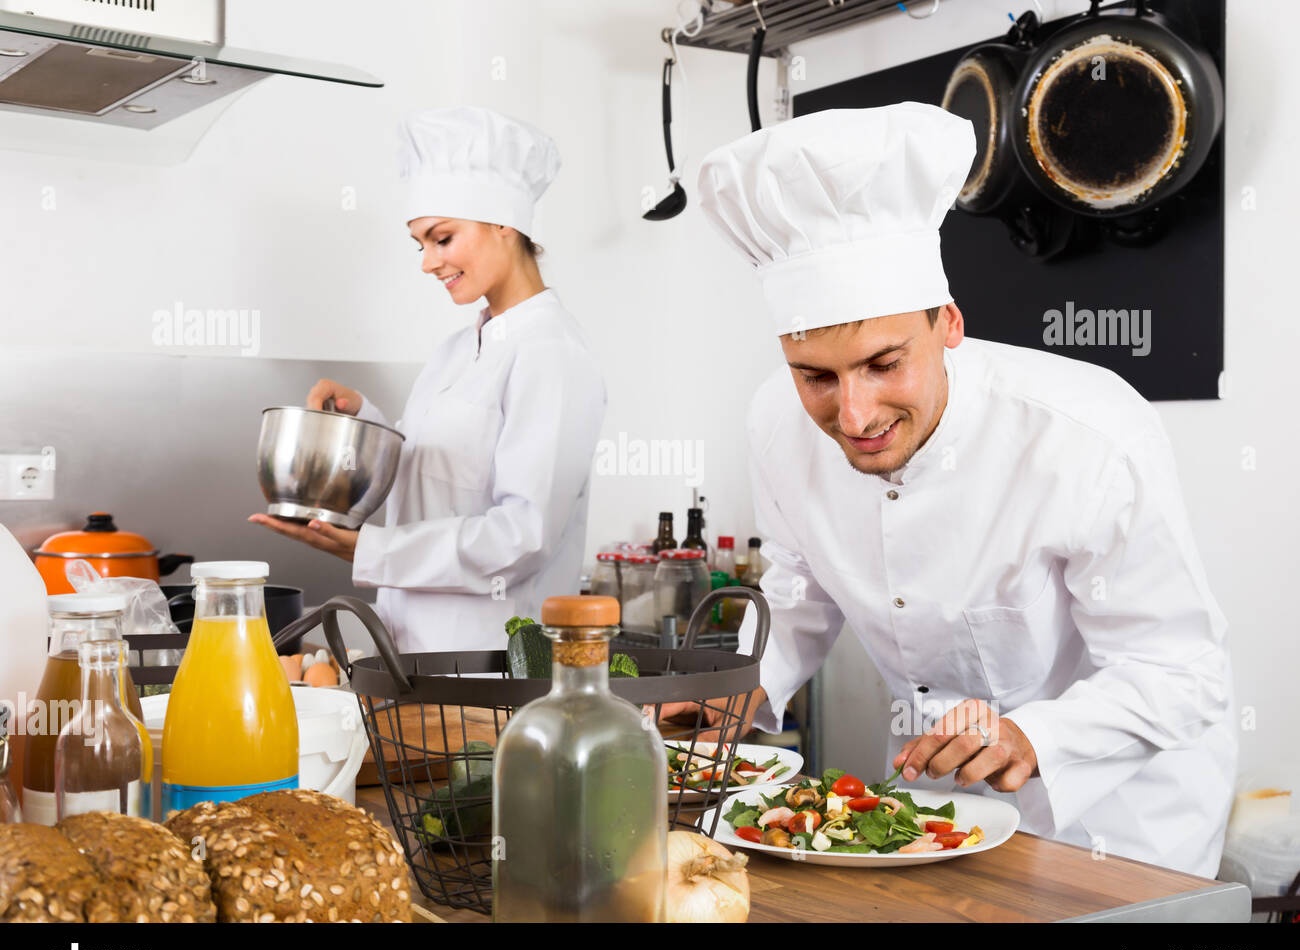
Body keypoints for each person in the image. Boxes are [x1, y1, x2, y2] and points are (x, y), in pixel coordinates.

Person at [680, 102, 1235, 877]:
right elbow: (802, 587)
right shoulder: (776, 422)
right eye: (816, 376)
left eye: (883, 362)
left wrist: (1035, 737)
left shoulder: (1087, 437)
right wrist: (731, 690)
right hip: (934, 802)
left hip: (1120, 820)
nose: (855, 413)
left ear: (948, 322)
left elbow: (1182, 674)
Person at [250, 106, 606, 653]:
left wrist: (368, 551)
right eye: (420, 244)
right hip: (412, 651)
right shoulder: (459, 349)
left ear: (504, 223)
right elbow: (435, 473)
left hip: (488, 665)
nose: (427, 263)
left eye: (442, 238)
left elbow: (524, 537)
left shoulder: (552, 353)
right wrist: (361, 420)